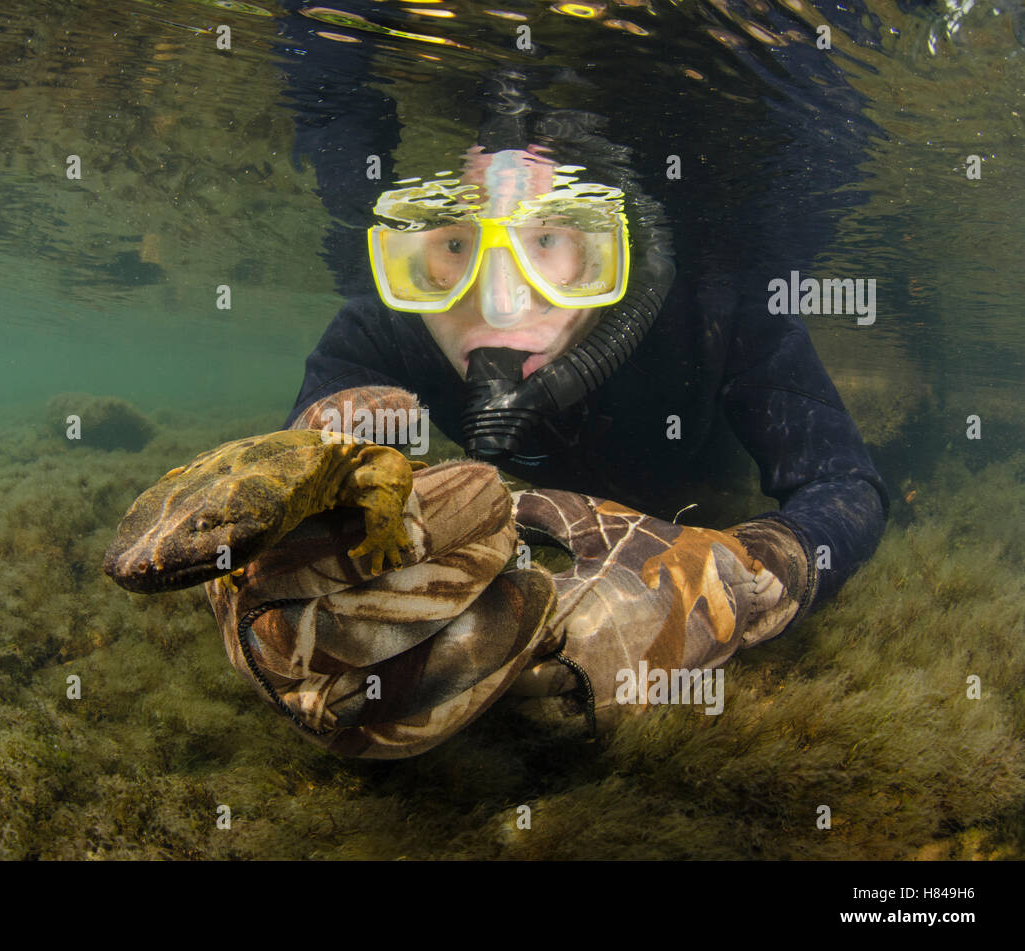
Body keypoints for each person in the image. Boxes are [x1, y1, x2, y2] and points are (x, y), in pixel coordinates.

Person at [207, 30, 889, 757]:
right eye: (455, 245)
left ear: (616, 247)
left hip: (696, 477)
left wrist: (736, 579)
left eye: (548, 241)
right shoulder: (392, 322)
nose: (500, 306)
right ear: (414, 250)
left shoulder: (717, 309)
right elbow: (316, 446)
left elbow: (843, 485)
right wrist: (297, 527)